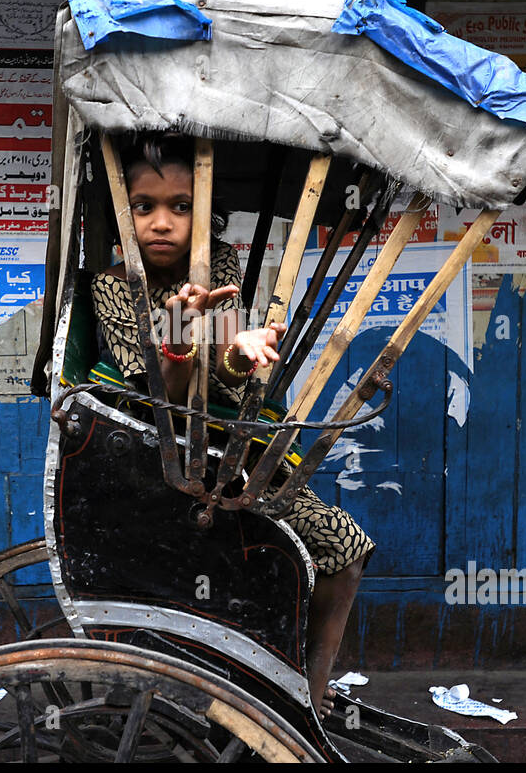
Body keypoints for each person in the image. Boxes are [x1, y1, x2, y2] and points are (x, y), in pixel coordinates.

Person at [89, 133, 374, 717]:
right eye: (144, 207)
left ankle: (301, 691)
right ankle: (301, 709)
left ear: (203, 211)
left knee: (346, 549)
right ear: (125, 214)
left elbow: (225, 379)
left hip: (221, 442)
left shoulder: (216, 264)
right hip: (159, 452)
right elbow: (158, 398)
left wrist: (237, 355)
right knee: (342, 549)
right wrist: (174, 339)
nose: (161, 222)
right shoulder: (115, 286)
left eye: (180, 206)